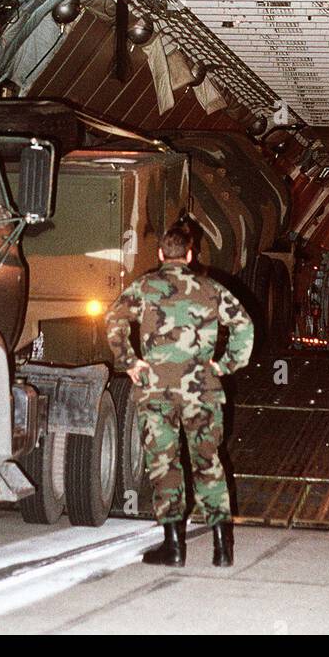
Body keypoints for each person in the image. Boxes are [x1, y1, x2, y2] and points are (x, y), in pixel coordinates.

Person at [105, 223, 254, 569]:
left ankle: (173, 547)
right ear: (190, 255)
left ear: (160, 254)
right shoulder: (210, 288)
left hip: (157, 391)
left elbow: (114, 320)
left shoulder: (144, 286)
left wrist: (129, 362)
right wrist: (225, 364)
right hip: (201, 390)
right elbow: (243, 324)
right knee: (208, 462)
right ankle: (222, 548)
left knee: (164, 464)